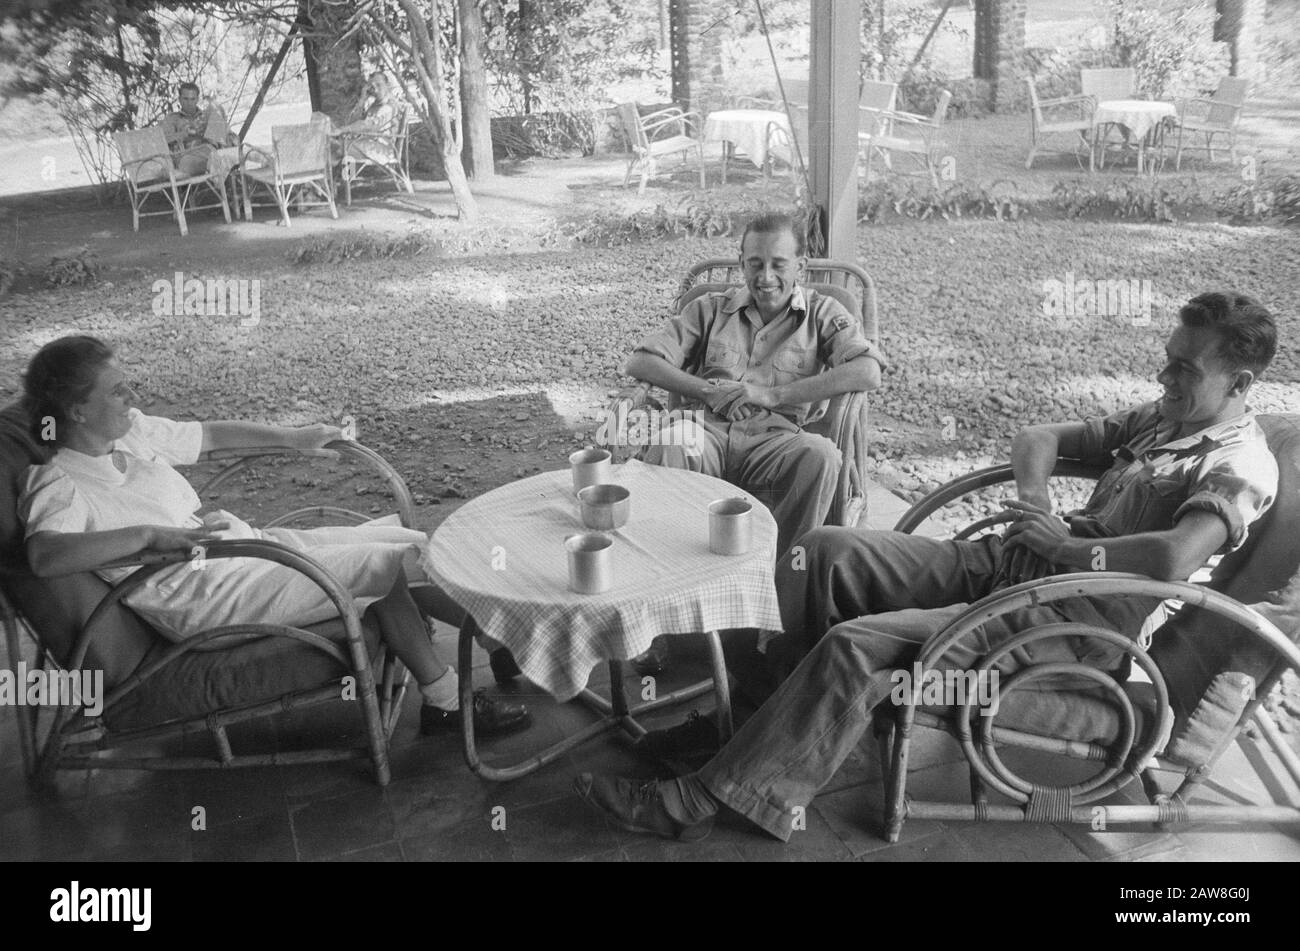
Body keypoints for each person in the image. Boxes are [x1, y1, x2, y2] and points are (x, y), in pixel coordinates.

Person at [575, 290, 1280, 842]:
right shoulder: (1164, 421)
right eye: (1167, 357)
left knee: (859, 646)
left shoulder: (1237, 462)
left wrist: (1065, 548)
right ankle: (744, 724)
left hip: (1068, 625)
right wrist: (1038, 508)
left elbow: (1172, 555)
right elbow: (1038, 436)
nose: (1164, 376)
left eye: (1184, 368)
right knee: (821, 551)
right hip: (1008, 565)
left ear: (1240, 379)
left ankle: (706, 798)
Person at [18, 336, 530, 738]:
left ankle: (498, 636)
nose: (133, 396)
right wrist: (147, 535)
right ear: (77, 410)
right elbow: (43, 556)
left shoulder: (129, 433)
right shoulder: (58, 481)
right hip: (207, 598)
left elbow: (211, 435)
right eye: (117, 390)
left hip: (242, 552)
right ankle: (448, 701)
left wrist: (295, 438)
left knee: (405, 540)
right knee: (385, 566)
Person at [160, 82, 239, 178]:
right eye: (185, 99)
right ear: (180, 100)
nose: (189, 103)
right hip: (187, 159)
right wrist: (183, 134)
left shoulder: (206, 116)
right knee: (220, 156)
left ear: (197, 99)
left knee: (215, 111)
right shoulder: (172, 118)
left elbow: (230, 136)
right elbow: (163, 141)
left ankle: (223, 153)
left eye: (193, 99)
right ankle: (221, 158)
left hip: (210, 152)